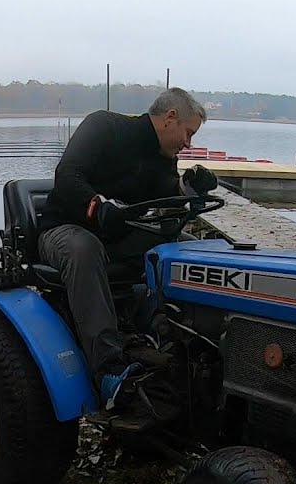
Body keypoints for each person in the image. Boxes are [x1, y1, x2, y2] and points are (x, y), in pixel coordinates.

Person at [37, 87, 218, 411]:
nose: (188, 144)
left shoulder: (162, 159)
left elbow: (166, 194)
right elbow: (67, 176)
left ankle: (180, 342)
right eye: (188, 133)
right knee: (84, 248)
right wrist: (97, 206)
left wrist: (190, 188)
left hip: (117, 237)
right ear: (170, 118)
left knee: (188, 249)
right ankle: (108, 370)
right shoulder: (104, 127)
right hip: (63, 229)